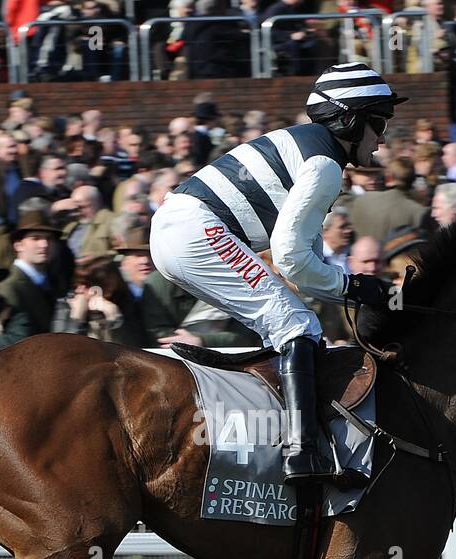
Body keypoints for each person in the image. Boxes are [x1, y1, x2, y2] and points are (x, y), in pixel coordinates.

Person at [150, 63, 404, 484]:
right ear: (349, 119)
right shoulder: (324, 164)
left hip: (178, 229)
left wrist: (349, 289)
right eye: (378, 124)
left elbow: (305, 255)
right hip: (194, 230)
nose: (382, 140)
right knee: (295, 323)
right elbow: (289, 259)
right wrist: (355, 286)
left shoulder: (310, 147)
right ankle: (304, 454)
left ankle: (282, 435)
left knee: (283, 326)